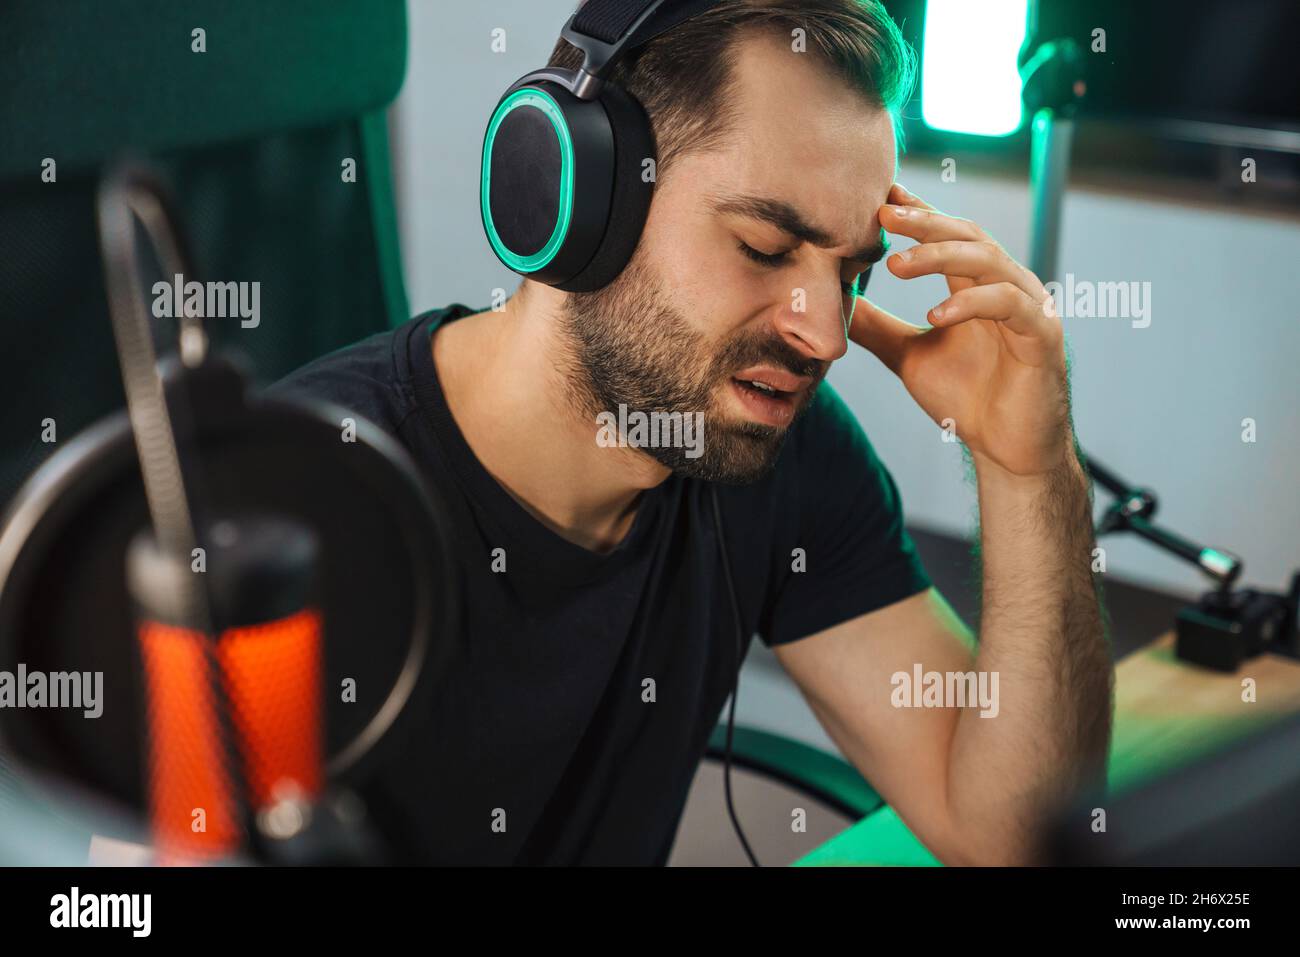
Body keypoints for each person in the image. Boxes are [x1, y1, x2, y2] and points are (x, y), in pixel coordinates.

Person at [273, 0, 1111, 865]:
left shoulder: (777, 443)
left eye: (850, 273)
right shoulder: (289, 519)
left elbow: (1018, 837)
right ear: (576, 198)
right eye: (765, 247)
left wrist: (1029, 466)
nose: (823, 334)